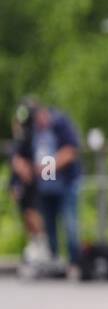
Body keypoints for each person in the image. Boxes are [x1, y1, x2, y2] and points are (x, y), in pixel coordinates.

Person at [12, 101, 82, 270]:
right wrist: (20, 172)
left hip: (65, 184)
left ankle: (75, 263)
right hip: (46, 186)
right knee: (49, 225)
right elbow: (19, 154)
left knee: (70, 224)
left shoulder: (61, 123)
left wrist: (46, 166)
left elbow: (71, 152)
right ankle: (54, 261)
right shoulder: (33, 130)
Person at [7, 100, 48, 266]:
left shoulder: (40, 134)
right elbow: (16, 158)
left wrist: (44, 177)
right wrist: (14, 183)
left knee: (33, 212)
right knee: (26, 213)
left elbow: (45, 159)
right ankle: (35, 245)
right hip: (24, 180)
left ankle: (43, 246)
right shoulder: (22, 136)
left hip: (34, 179)